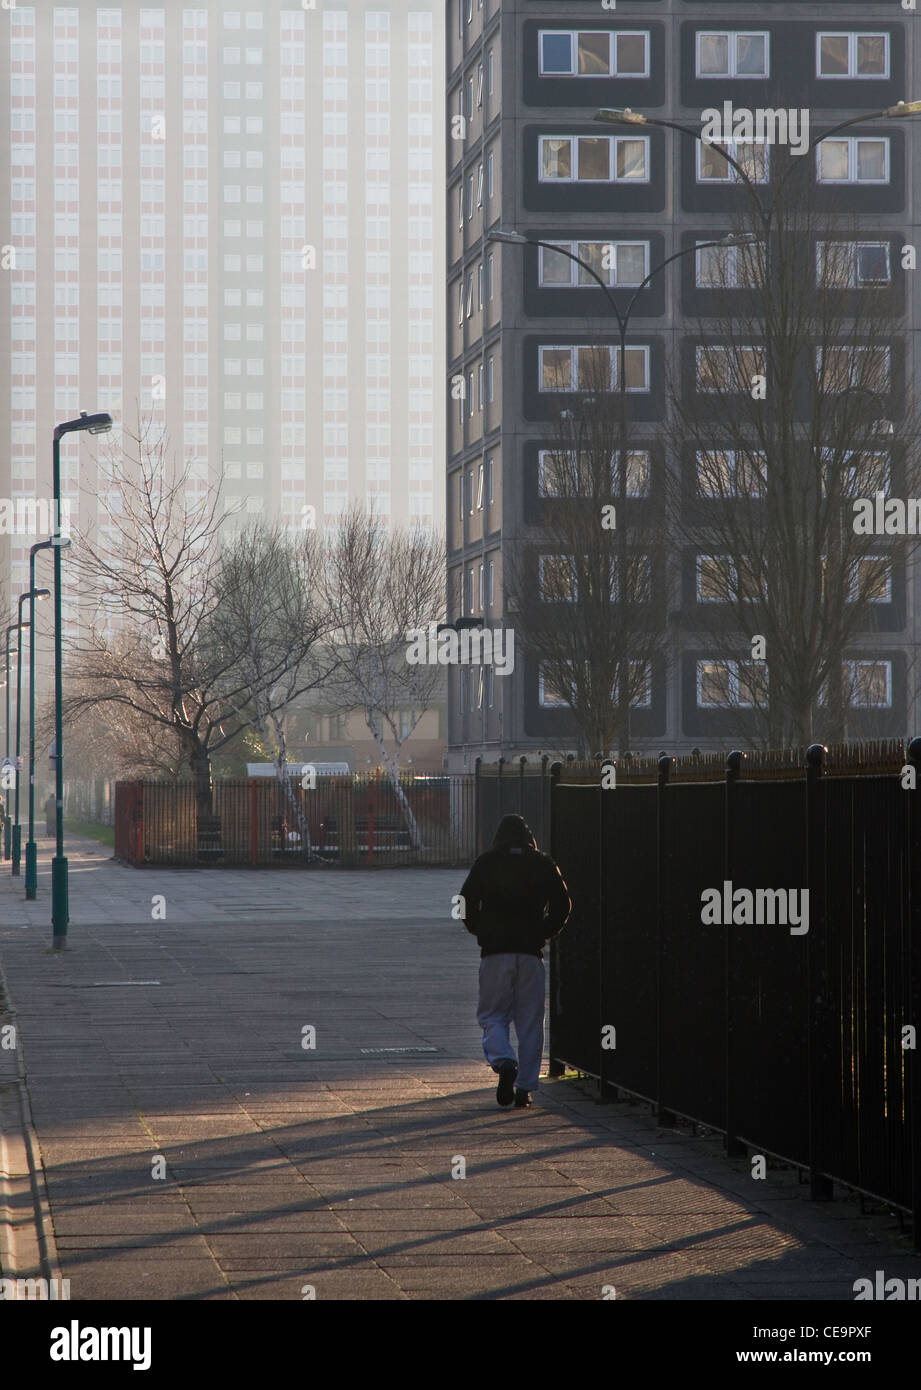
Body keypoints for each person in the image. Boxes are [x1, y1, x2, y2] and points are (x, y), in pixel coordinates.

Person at [459, 813, 571, 1110]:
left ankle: (504, 1060)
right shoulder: (543, 863)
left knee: (493, 1016)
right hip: (530, 953)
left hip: (495, 953)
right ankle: (525, 1089)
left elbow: (465, 901)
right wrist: (545, 932)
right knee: (531, 1023)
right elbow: (563, 903)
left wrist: (480, 930)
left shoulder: (486, 863)